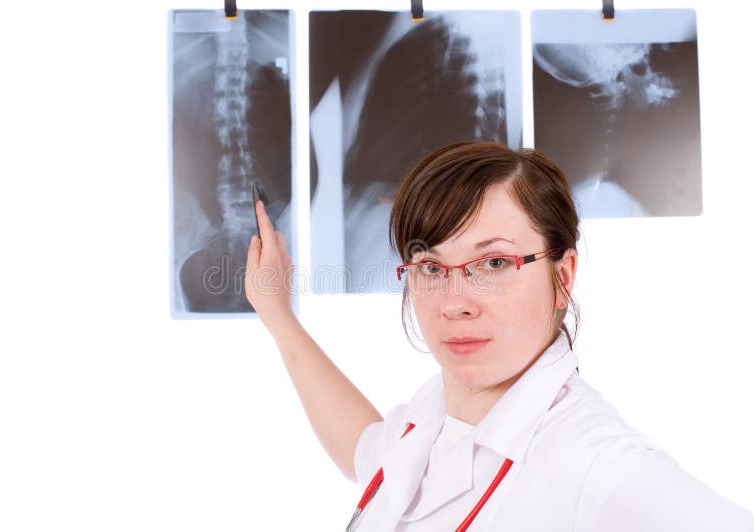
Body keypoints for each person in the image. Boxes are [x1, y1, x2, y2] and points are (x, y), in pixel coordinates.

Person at [244, 141, 754, 531]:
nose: (455, 303)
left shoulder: (599, 466)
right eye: (430, 267)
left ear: (563, 277)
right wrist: (277, 314)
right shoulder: (432, 417)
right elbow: (367, 452)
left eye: (493, 263)